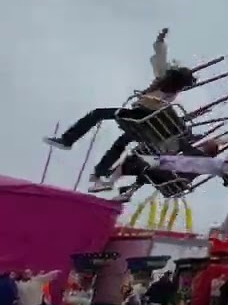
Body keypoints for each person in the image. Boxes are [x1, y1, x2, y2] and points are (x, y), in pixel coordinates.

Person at [45, 30, 200, 190]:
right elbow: (162, 61)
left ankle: (68, 140)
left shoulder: (164, 83)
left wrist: (160, 43)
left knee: (98, 113)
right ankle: (99, 174)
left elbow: (161, 61)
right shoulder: (171, 91)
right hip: (146, 124)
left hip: (139, 116)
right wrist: (160, 43)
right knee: (121, 143)